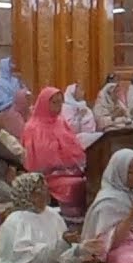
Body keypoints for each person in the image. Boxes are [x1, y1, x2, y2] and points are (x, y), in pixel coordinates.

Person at [0, 173, 101, 263]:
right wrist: (62, 244)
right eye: (39, 191)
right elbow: (29, 260)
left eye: (45, 188)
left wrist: (80, 249)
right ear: (27, 195)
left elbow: (63, 255)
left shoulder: (52, 215)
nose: (45, 193)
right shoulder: (16, 221)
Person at [21, 88, 88, 217]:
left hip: (72, 170)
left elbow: (75, 145)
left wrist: (75, 163)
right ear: (44, 103)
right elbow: (39, 161)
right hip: (50, 176)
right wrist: (64, 167)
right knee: (77, 185)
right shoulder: (33, 127)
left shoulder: (60, 121)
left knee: (93, 180)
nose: (58, 107)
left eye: (60, 103)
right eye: (54, 103)